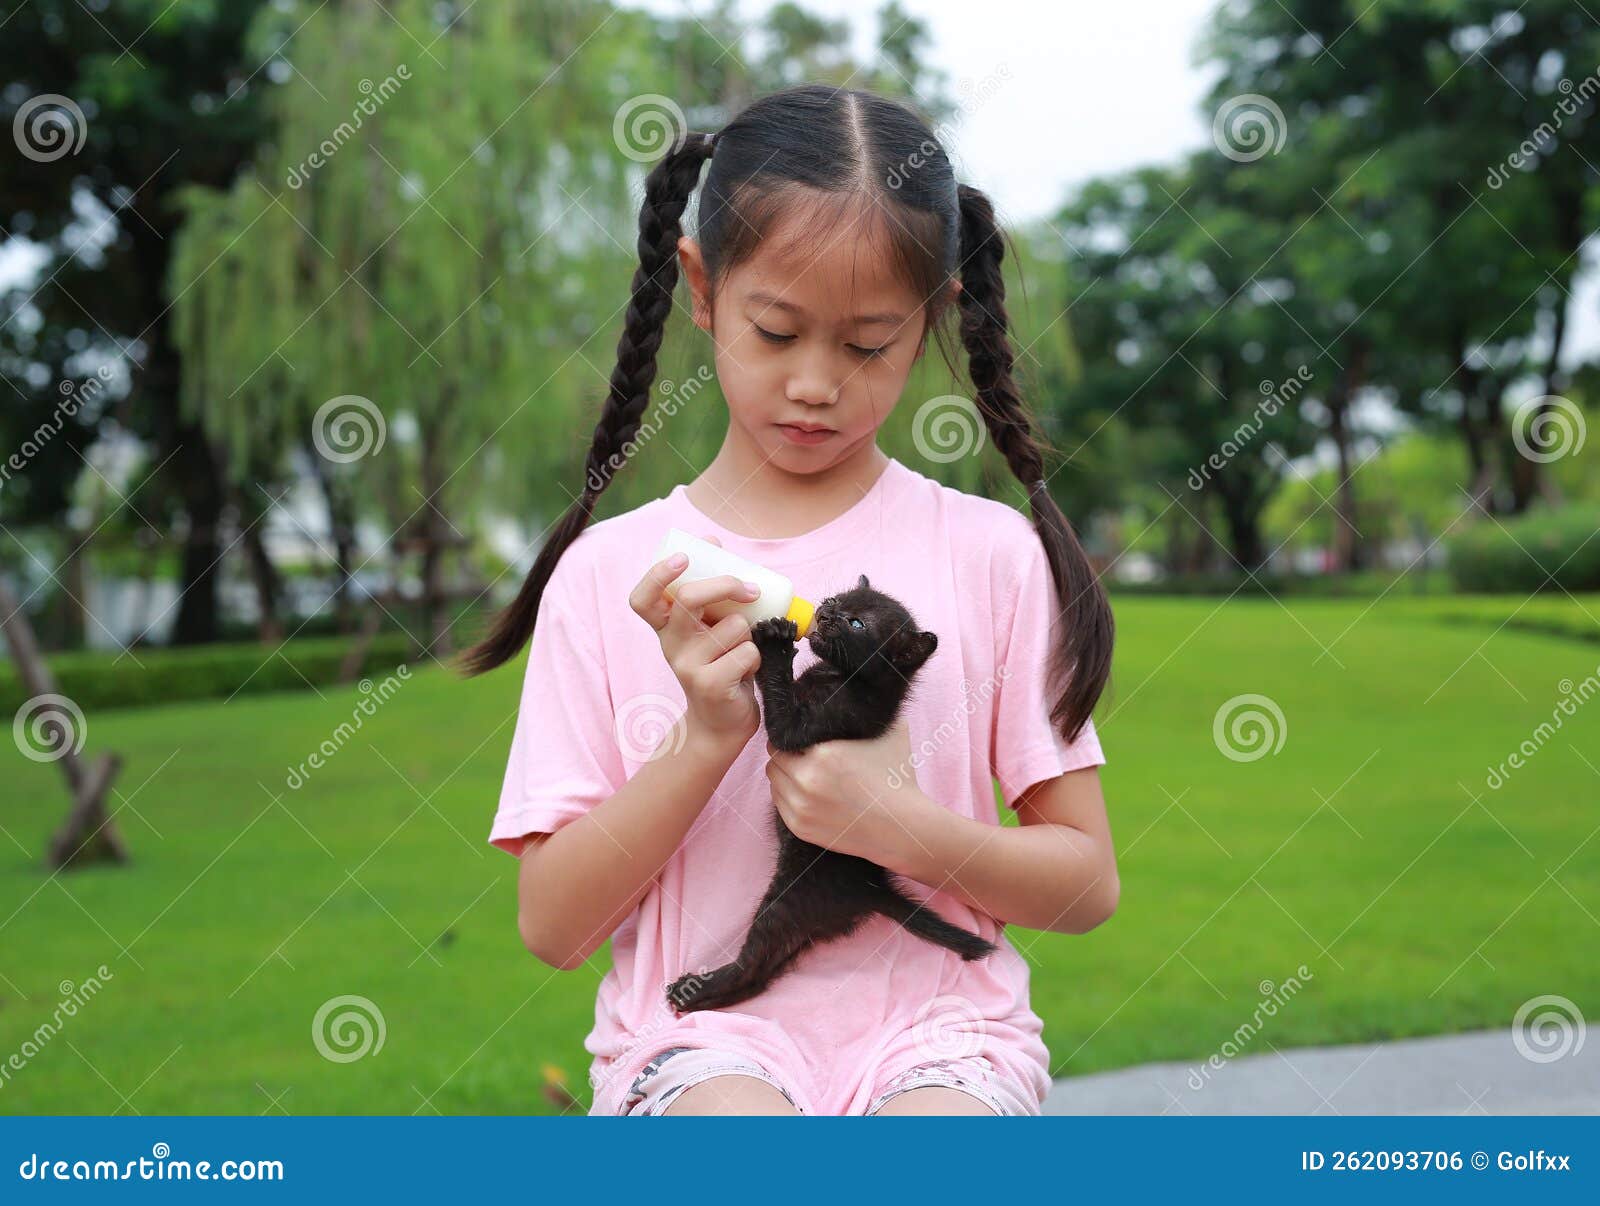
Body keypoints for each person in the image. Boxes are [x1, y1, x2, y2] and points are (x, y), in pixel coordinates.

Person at [458, 83, 1119, 1116]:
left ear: (935, 316)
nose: (815, 384)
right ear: (703, 289)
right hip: (700, 1039)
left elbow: (1085, 885)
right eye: (775, 332)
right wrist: (706, 734)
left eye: (866, 346)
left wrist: (898, 826)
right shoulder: (614, 575)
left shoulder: (990, 555)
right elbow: (552, 926)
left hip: (947, 1037)